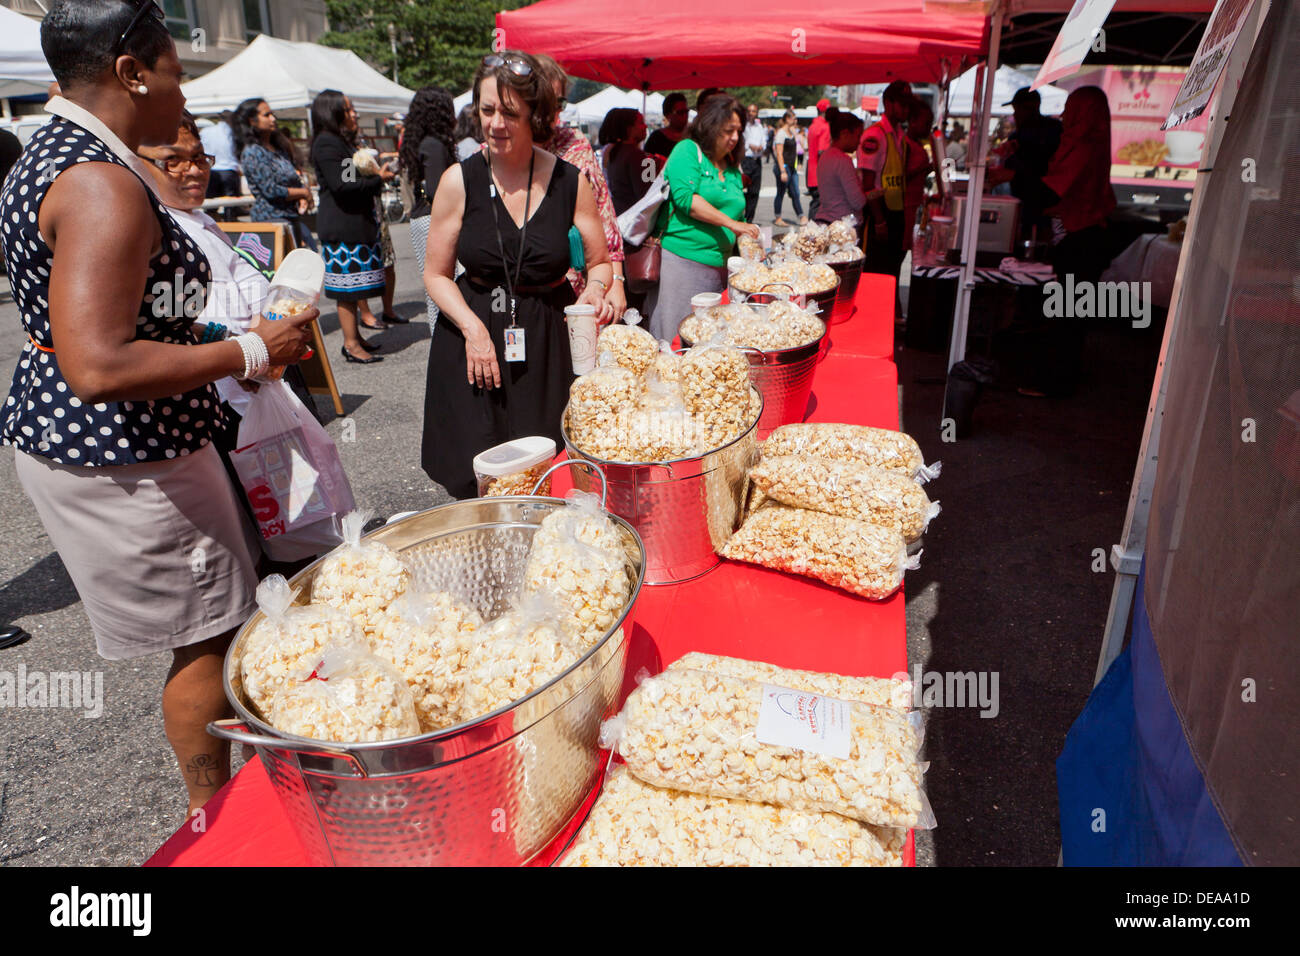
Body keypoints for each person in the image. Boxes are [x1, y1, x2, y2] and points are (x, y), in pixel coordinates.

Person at [2, 0, 316, 819]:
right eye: (176, 69)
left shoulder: (52, 157)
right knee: (209, 633)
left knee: (210, 627)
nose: (185, 90)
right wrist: (248, 354)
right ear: (131, 72)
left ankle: (223, 807)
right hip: (128, 447)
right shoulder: (100, 182)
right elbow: (100, 361)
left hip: (112, 436)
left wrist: (216, 338)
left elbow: (132, 316)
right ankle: (216, 818)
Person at [419, 51, 613, 499]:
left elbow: (600, 263)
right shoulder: (457, 180)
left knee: (546, 474)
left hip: (546, 341)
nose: (496, 124)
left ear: (536, 115)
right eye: (487, 111)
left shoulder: (570, 181)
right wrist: (472, 329)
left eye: (510, 112)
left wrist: (597, 290)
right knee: (477, 478)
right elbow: (435, 275)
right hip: (472, 340)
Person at [1018, 86, 1117, 397]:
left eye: (1071, 110)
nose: (1063, 116)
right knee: (1071, 313)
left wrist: (1011, 177)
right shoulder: (1089, 143)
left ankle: (1057, 383)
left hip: (1081, 238)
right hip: (1084, 235)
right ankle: (1064, 377)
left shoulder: (1083, 147)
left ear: (1083, 114)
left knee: (1067, 315)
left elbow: (1052, 191)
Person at [649, 94, 760, 342]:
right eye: (728, 130)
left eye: (738, 131)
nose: (734, 137)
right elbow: (686, 200)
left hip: (721, 268)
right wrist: (732, 224)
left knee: (709, 339)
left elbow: (737, 210)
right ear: (711, 126)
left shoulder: (731, 166)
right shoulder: (687, 150)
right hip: (683, 263)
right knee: (678, 337)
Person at [533, 54, 627, 321]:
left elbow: (605, 218)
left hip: (580, 287)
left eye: (560, 102)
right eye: (545, 103)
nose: (554, 112)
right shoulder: (501, 155)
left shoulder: (574, 144)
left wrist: (616, 281)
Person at [310, 90, 397, 363]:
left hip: (354, 225)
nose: (353, 114)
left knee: (355, 288)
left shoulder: (338, 143)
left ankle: (356, 338)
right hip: (342, 228)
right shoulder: (327, 144)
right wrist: (378, 179)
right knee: (347, 291)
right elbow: (344, 186)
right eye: (347, 109)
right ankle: (350, 344)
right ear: (332, 113)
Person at [402, 87, 457, 333]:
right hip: (433, 220)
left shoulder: (421, 142)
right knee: (444, 286)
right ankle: (444, 342)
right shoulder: (434, 145)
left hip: (423, 218)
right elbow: (438, 190)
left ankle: (441, 340)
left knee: (435, 287)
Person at [233, 97, 316, 251]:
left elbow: (292, 177)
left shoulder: (278, 148)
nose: (273, 119)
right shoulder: (253, 152)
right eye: (267, 115)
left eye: (272, 114)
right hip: (271, 221)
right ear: (252, 121)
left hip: (291, 216)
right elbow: (271, 190)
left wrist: (303, 195)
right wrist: (303, 192)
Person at [987, 87, 1063, 240]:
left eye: (1018, 110)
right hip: (1020, 206)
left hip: (1044, 208)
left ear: (1031, 108)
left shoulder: (1052, 132)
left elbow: (1044, 172)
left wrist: (1012, 174)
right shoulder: (1018, 135)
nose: (1014, 115)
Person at [858, 80, 912, 280]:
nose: (906, 110)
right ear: (888, 103)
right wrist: (880, 222)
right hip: (879, 214)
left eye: (908, 105)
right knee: (875, 273)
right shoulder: (874, 136)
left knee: (891, 272)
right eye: (902, 104)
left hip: (896, 213)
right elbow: (868, 185)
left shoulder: (899, 135)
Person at [812, 111, 867, 232]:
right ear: (845, 134)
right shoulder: (842, 160)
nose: (859, 142)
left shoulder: (825, 156)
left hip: (826, 221)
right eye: (858, 136)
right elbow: (858, 202)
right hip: (842, 228)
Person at [598, 107, 655, 215]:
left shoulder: (612, 151)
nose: (645, 127)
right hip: (634, 218)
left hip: (618, 214)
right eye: (641, 123)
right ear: (629, 128)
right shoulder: (638, 156)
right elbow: (648, 194)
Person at [903, 100, 935, 252]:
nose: (928, 127)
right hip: (904, 208)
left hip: (914, 206)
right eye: (926, 123)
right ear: (913, 121)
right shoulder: (905, 145)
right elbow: (902, 176)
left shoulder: (917, 144)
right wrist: (924, 168)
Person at [198, 111, 240, 219]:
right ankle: (231, 228)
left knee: (210, 206)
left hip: (212, 170)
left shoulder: (207, 131)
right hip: (229, 170)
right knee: (230, 206)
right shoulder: (234, 132)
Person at [772, 109, 805, 227]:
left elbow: (800, 145)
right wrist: (782, 171)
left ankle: (801, 215)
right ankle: (778, 217)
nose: (795, 120)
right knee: (780, 192)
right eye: (793, 118)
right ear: (787, 119)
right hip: (784, 167)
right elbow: (779, 153)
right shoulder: (781, 133)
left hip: (792, 167)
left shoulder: (791, 132)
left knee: (795, 192)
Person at [805, 99, 833, 221]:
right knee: (819, 207)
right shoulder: (824, 126)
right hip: (820, 174)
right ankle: (813, 233)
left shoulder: (813, 125)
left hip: (811, 172)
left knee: (816, 203)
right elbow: (822, 151)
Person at [741, 102, 766, 223]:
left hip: (757, 161)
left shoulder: (759, 126)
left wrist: (761, 147)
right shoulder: (743, 126)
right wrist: (749, 146)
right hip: (746, 160)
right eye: (750, 111)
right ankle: (741, 217)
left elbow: (764, 141)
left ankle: (750, 219)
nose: (751, 114)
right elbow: (742, 141)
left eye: (754, 111)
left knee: (754, 192)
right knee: (743, 190)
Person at [645, 92, 689, 158]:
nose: (685, 116)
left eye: (686, 112)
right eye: (680, 112)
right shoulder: (656, 138)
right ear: (668, 115)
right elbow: (647, 165)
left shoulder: (694, 136)